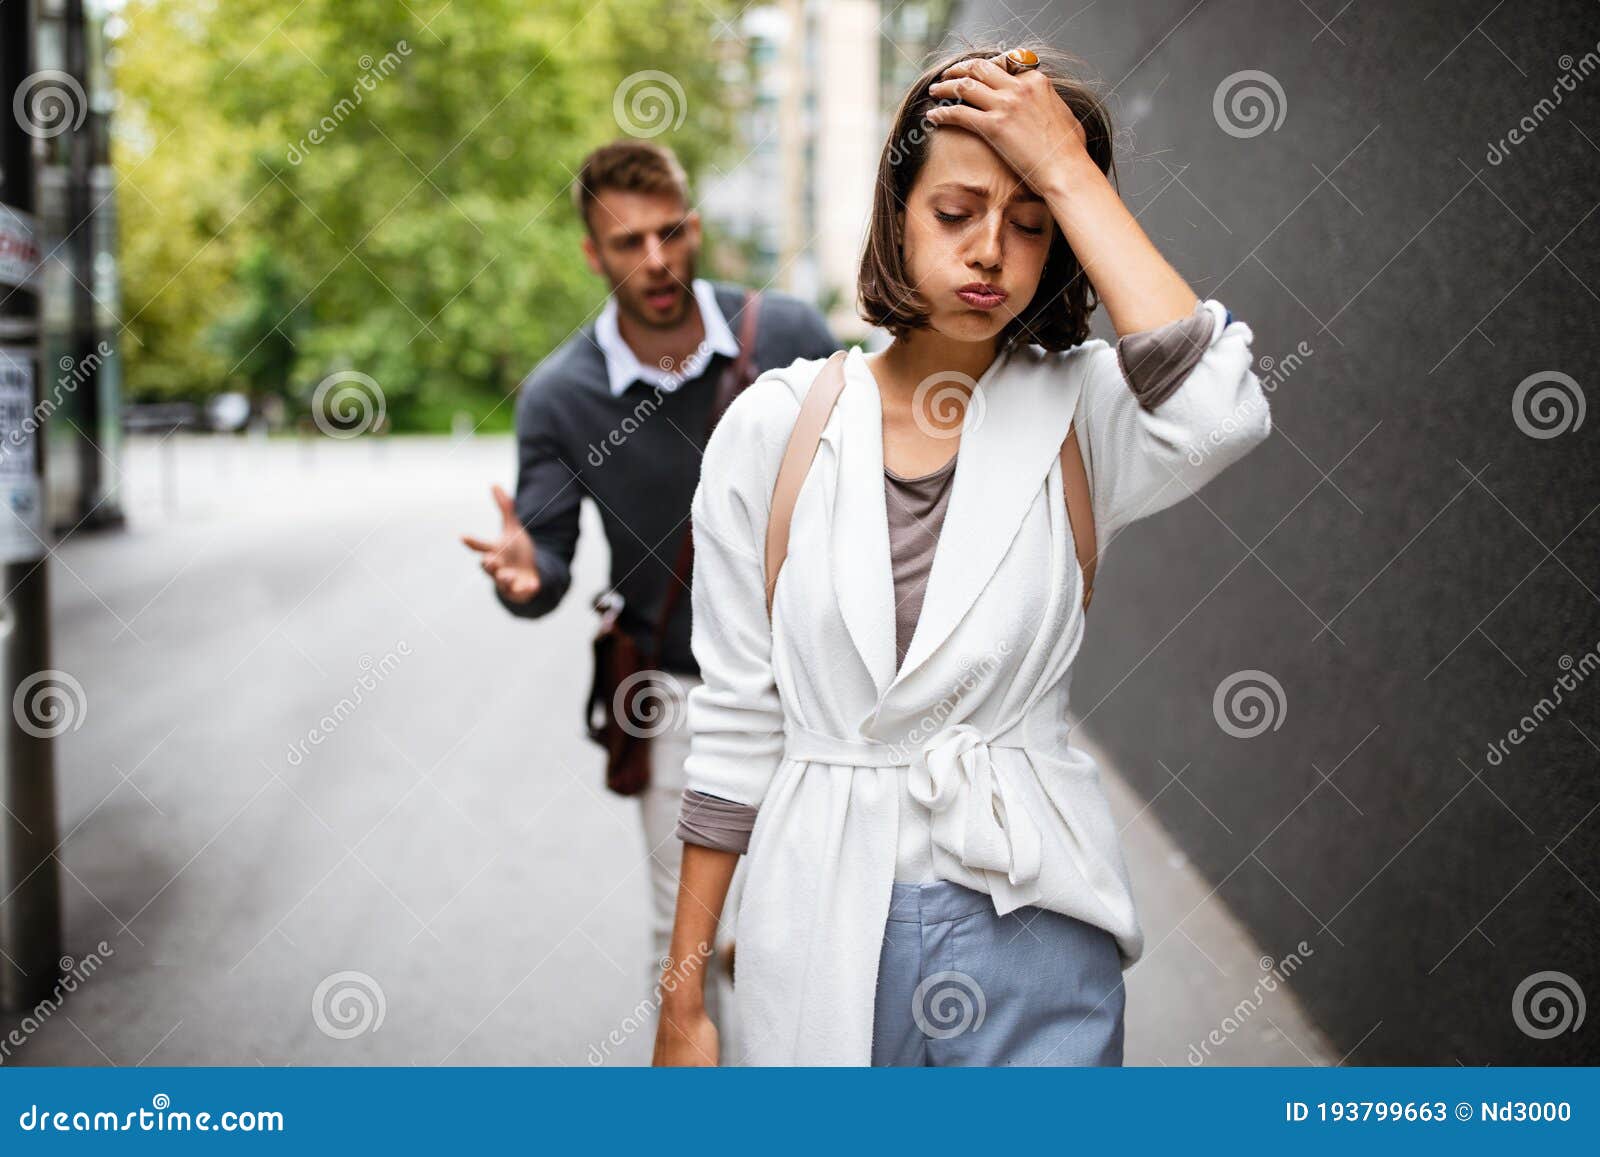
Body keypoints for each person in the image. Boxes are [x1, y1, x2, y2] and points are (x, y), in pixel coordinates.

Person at [652, 44, 1273, 1066]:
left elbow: (1219, 413)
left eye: (1030, 225)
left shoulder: (1086, 412)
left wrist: (1069, 168)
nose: (990, 249)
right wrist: (681, 1001)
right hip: (818, 919)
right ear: (897, 212)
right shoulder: (775, 428)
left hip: (1033, 913)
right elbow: (733, 722)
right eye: (955, 212)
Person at [462, 139, 839, 1058]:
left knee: (826, 928)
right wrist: (526, 575)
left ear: (695, 226)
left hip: (823, 688)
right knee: (684, 947)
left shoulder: (788, 334)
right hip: (676, 697)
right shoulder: (561, 396)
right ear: (593, 253)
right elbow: (545, 562)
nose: (657, 260)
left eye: (670, 233)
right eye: (628, 243)